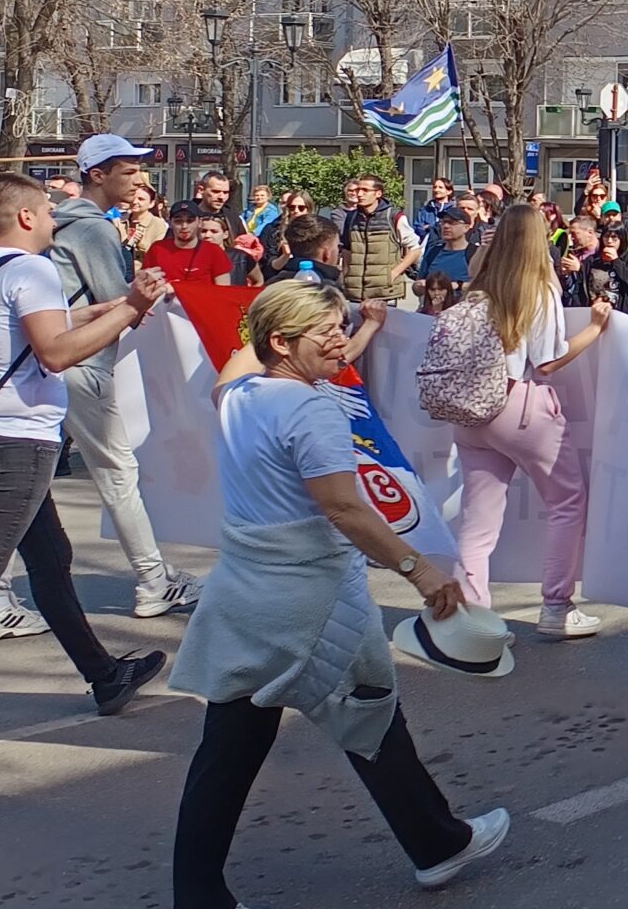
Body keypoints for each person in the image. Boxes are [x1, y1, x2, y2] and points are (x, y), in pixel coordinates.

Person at [170, 279, 508, 906]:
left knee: (233, 745)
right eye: (325, 331)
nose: (339, 341)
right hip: (313, 597)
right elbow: (345, 509)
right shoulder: (312, 409)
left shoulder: (238, 396)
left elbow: (236, 366)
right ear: (281, 342)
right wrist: (420, 571)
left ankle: (198, 892)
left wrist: (275, 323)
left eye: (340, 326)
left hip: (245, 592)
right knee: (370, 713)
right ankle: (438, 844)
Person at [0, 173, 175, 761]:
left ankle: (104, 674)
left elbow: (46, 329)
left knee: (50, 558)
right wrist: (133, 308)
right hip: (15, 444)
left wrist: (116, 306)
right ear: (24, 218)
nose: (53, 219)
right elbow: (57, 351)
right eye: (46, 210)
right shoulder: (34, 270)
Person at [50, 133, 201, 617]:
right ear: (98, 175)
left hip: (57, 365)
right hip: (82, 365)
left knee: (25, 488)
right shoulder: (92, 229)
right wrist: (149, 292)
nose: (139, 179)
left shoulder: (69, 223)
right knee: (117, 474)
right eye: (129, 170)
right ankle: (153, 580)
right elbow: (122, 302)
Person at [451, 204, 613, 639]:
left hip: (471, 407)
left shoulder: (479, 287)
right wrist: (595, 329)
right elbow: (548, 361)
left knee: (478, 520)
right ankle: (557, 607)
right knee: (567, 500)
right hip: (519, 404)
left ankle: (470, 617)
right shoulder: (539, 288)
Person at [338, 175, 420, 304]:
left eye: (365, 190)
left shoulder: (393, 216)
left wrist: (394, 274)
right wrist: (346, 276)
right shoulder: (351, 217)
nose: (359, 194)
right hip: (355, 292)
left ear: (378, 193)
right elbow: (347, 250)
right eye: (358, 189)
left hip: (384, 293)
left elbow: (415, 248)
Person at [144, 212, 239, 286]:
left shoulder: (214, 251)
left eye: (190, 221)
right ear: (171, 223)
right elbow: (146, 282)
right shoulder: (157, 248)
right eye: (178, 221)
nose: (184, 226)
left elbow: (223, 290)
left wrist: (179, 288)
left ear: (199, 223)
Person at [414, 207, 476, 287]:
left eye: (452, 223)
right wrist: (420, 286)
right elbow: (418, 284)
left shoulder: (475, 253)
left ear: (466, 227)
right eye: (443, 222)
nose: (446, 226)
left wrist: (457, 286)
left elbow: (484, 285)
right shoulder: (433, 252)